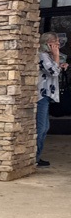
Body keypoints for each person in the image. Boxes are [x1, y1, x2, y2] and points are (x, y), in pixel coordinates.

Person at [37, 32, 68, 167]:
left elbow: (55, 70)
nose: (58, 45)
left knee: (45, 127)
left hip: (47, 95)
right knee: (41, 128)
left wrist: (61, 64)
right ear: (48, 43)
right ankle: (34, 158)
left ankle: (37, 156)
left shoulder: (48, 57)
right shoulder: (42, 56)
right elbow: (53, 72)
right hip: (41, 95)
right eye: (55, 43)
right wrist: (56, 56)